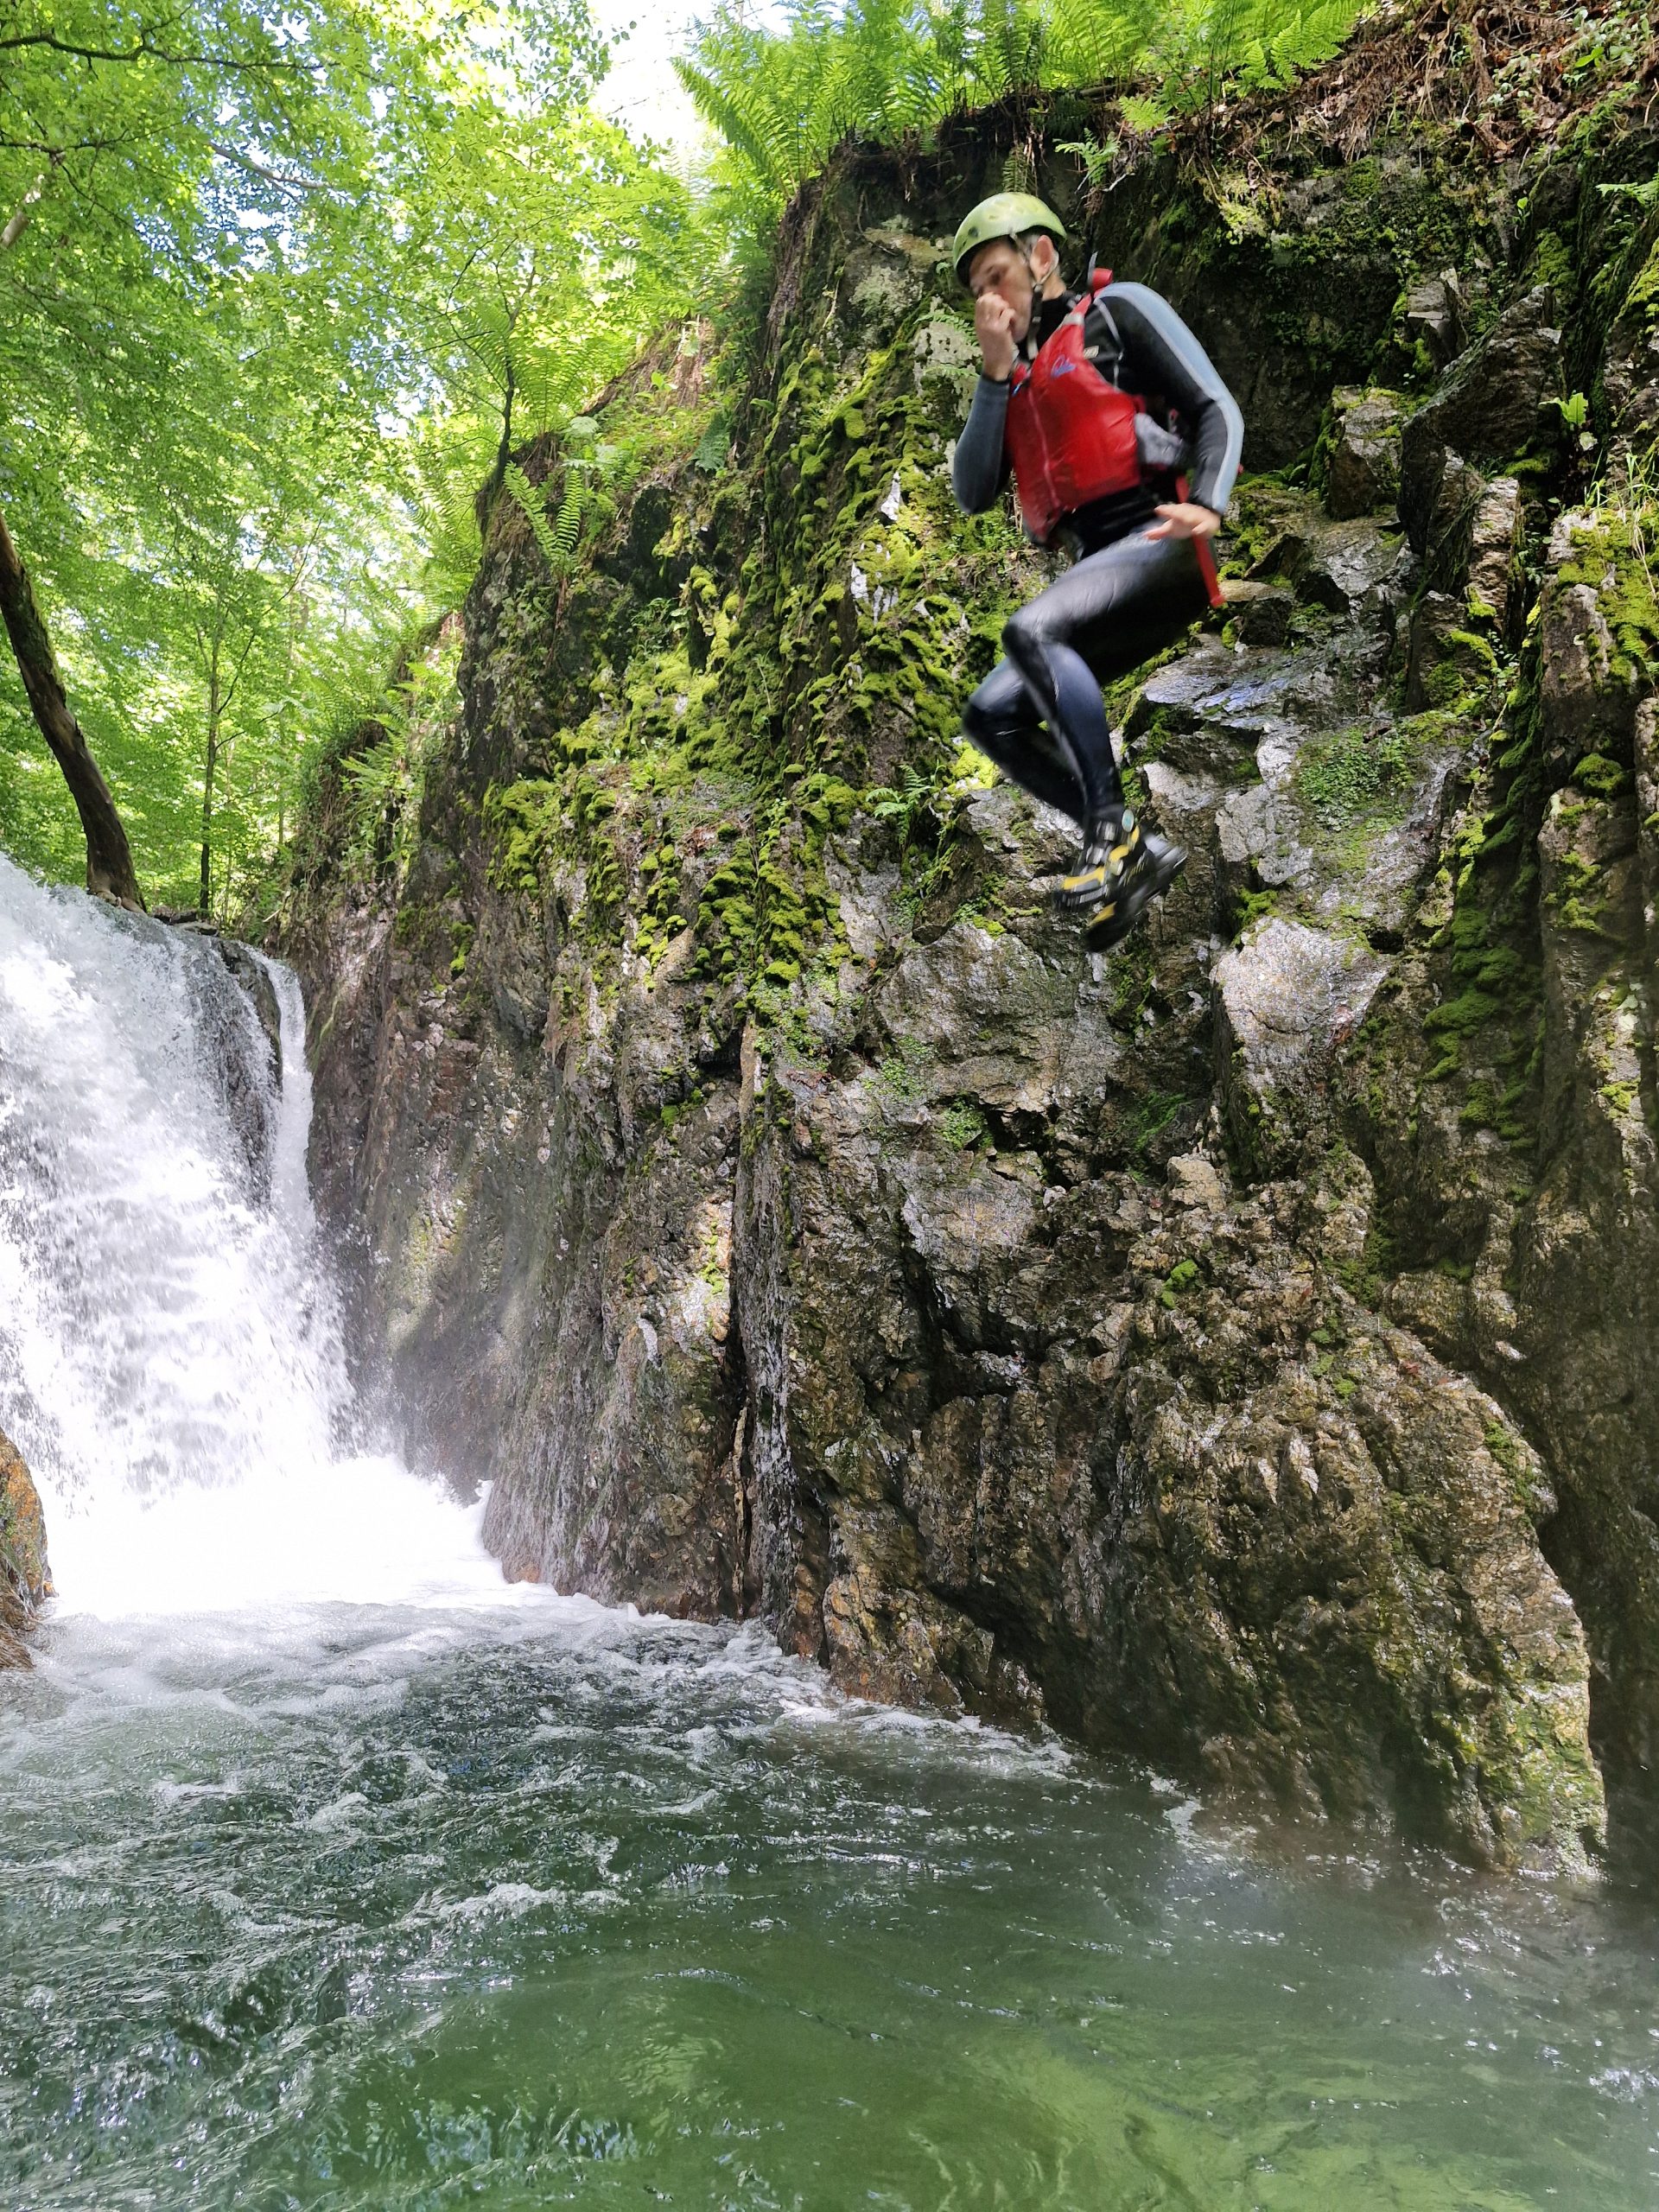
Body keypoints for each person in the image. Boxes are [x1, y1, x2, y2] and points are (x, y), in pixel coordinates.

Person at [950, 193, 1243, 945]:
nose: (989, 300)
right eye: (977, 292)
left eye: (997, 276)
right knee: (991, 714)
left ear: (1041, 256)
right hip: (1100, 573)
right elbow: (973, 492)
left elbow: (1215, 407)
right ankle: (1131, 851)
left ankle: (1110, 828)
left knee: (1030, 629)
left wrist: (1208, 502)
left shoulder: (1117, 313)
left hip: (1164, 540)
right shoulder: (1012, 383)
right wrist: (992, 372)